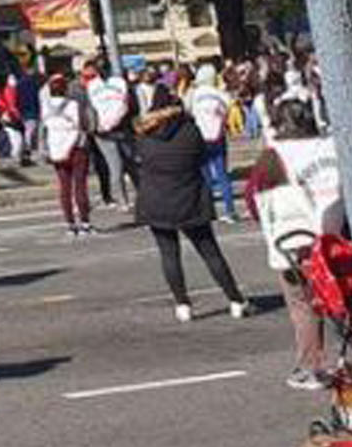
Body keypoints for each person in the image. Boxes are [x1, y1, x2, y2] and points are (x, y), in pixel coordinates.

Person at [250, 99, 343, 389]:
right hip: (339, 232)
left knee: (303, 305)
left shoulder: (274, 155)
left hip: (296, 240)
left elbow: (255, 198)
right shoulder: (333, 146)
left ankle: (311, 366)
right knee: (348, 299)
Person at [136, 86, 249, 323]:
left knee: (169, 254)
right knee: (210, 251)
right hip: (189, 196)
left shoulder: (145, 136)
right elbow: (202, 157)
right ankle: (235, 299)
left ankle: (182, 304)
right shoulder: (190, 131)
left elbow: (140, 163)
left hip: (156, 198)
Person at [42, 76, 94, 237]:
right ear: (66, 89)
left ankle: (70, 223)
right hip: (75, 148)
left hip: (56, 150)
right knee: (80, 185)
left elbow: (45, 128)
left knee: (64, 188)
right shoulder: (73, 105)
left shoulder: (46, 106)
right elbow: (81, 126)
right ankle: (85, 222)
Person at [187, 64, 239, 222]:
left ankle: (208, 211)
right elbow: (229, 108)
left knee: (205, 176)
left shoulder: (194, 94)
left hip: (201, 137)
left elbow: (189, 111)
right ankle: (230, 210)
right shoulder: (220, 94)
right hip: (218, 136)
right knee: (223, 174)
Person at [86, 59, 136, 210]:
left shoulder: (118, 83)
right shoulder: (93, 85)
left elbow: (125, 104)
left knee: (129, 164)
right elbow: (92, 108)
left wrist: (114, 121)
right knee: (117, 167)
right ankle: (123, 201)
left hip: (118, 129)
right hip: (104, 132)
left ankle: (137, 197)